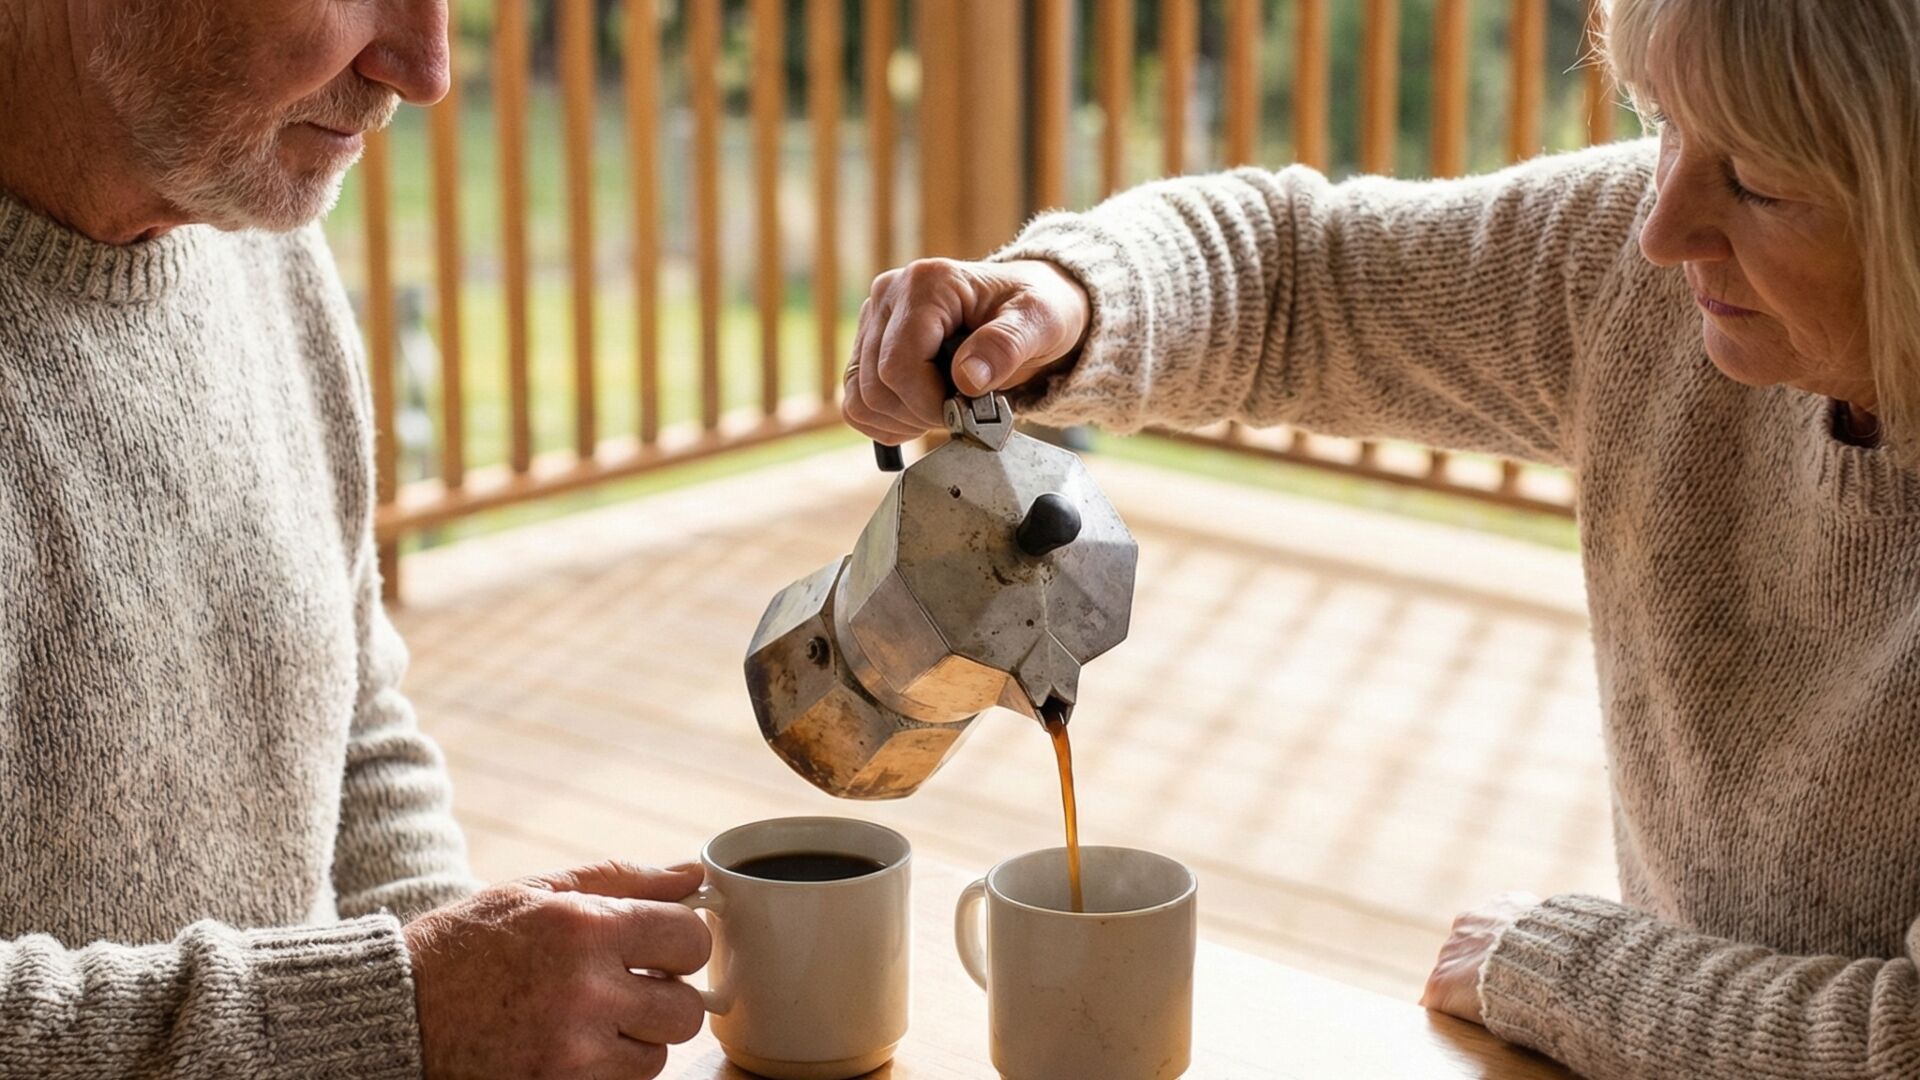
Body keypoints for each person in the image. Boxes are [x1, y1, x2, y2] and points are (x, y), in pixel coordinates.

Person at [843, 1, 1920, 1076]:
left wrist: (1568, 970)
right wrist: (1068, 298)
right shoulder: (1637, 278)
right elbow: (1301, 276)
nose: (1662, 229)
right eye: (1666, 125)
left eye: (1765, 182)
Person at [0, 2, 706, 1077]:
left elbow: (356, 733)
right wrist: (398, 1018)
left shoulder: (242, 221)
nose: (425, 70)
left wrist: (473, 1012)